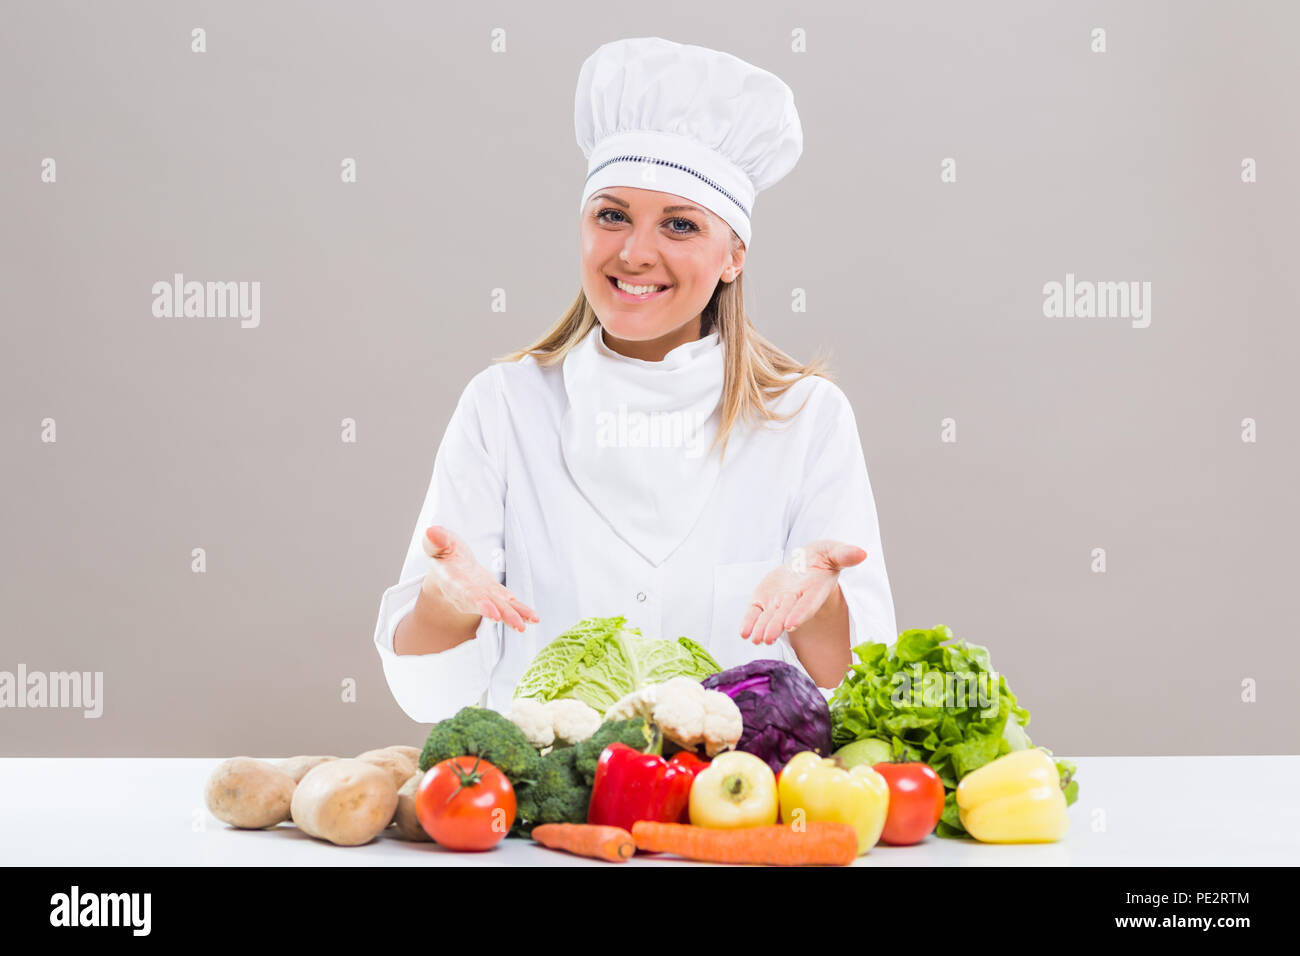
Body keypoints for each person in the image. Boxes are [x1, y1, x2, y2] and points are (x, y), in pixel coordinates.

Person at [373, 36, 896, 723]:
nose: (634, 252)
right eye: (612, 215)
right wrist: (445, 603)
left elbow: (860, 699)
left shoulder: (806, 418)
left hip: (731, 812)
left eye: (680, 225)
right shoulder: (503, 407)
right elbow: (427, 699)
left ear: (733, 254)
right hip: (543, 815)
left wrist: (821, 603)